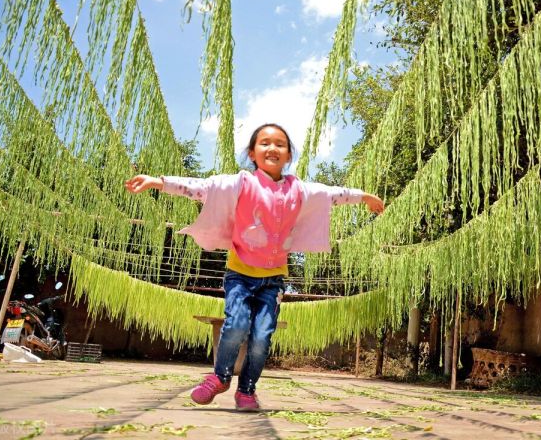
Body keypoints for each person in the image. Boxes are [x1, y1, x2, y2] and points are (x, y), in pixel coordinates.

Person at [124, 123, 384, 410]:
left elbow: (333, 194)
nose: (272, 147)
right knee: (235, 325)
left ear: (288, 156)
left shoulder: (299, 190)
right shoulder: (241, 183)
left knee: (261, 338)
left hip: (273, 282)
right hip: (240, 275)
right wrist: (158, 182)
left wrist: (365, 197)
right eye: (264, 142)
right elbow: (202, 188)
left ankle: (246, 391)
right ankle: (220, 377)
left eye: (280, 144)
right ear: (252, 153)